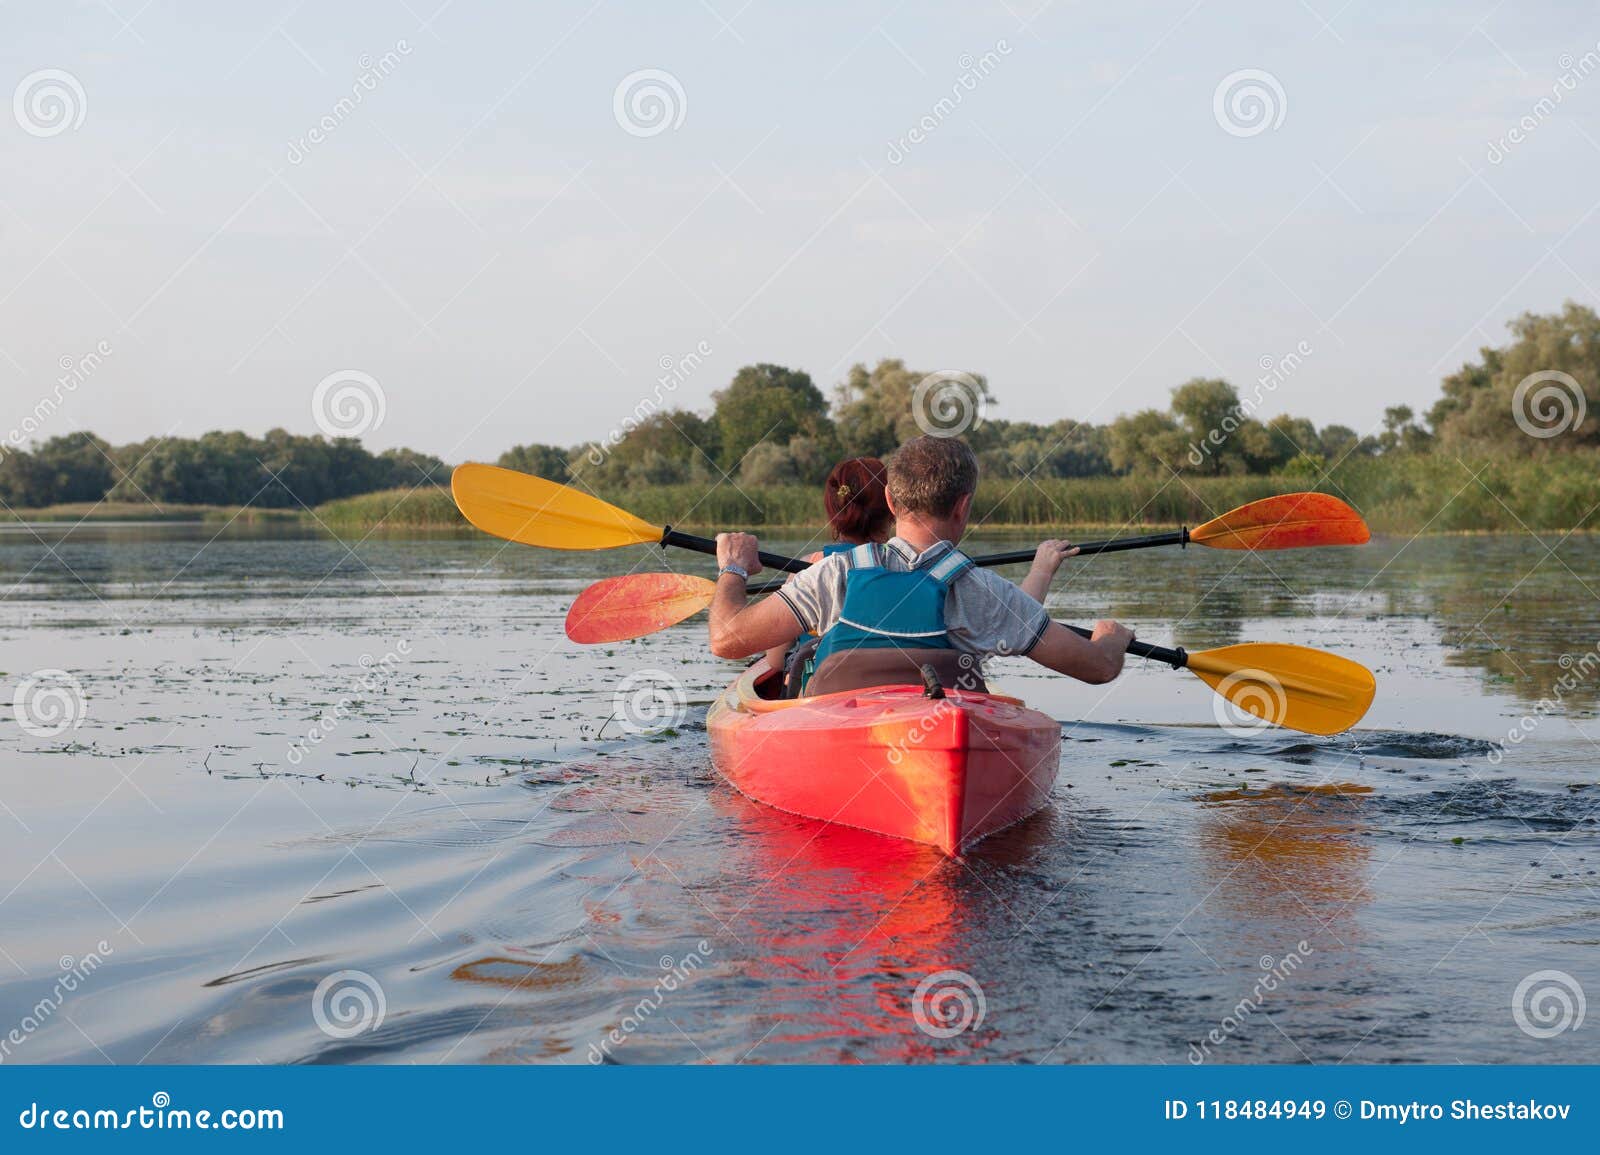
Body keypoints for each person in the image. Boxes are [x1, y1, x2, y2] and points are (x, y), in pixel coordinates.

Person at [709, 435, 1134, 695]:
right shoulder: (985, 591)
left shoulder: (830, 574)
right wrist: (1110, 639)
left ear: (892, 501)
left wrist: (733, 568)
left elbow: (727, 641)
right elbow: (1097, 668)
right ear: (964, 506)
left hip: (838, 732)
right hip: (935, 730)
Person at [762, 457, 894, 676]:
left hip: (821, 685)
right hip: (892, 685)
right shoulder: (909, 564)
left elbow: (775, 661)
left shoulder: (807, 567)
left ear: (833, 511)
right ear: (892, 508)